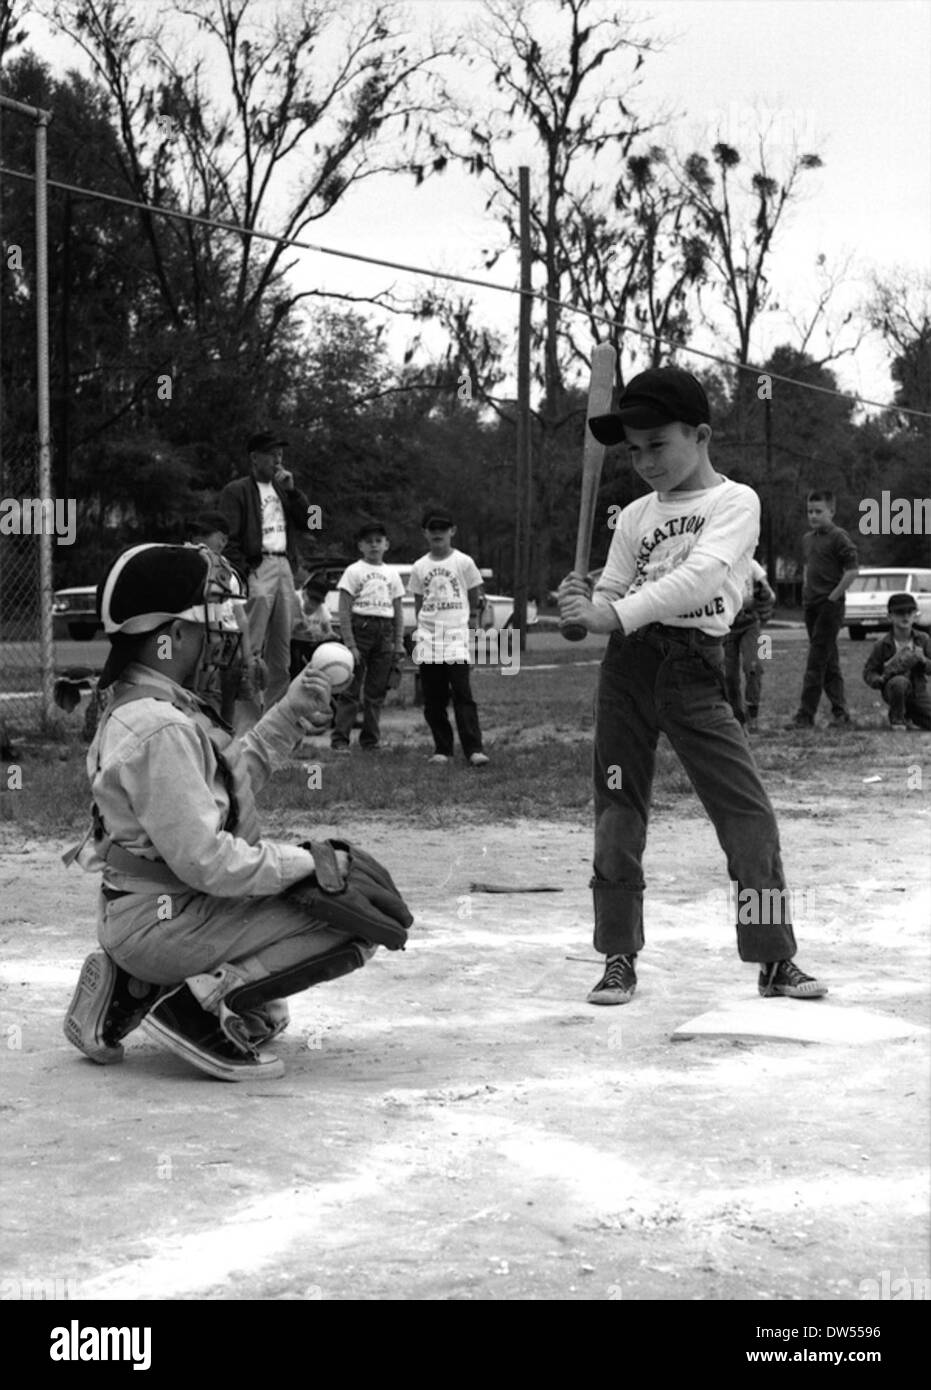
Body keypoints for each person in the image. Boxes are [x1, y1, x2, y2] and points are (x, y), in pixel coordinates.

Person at [61, 543, 409, 1081]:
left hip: (146, 911)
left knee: (266, 1010)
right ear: (170, 636)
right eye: (209, 621)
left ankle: (132, 989)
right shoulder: (163, 728)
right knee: (355, 920)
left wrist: (290, 712)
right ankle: (189, 1008)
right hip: (164, 918)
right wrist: (305, 862)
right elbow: (208, 861)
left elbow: (229, 780)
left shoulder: (152, 706)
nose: (223, 633)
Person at [558, 366, 827, 1007]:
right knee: (618, 814)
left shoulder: (736, 502)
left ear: (700, 435)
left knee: (747, 814)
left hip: (694, 668)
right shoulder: (634, 516)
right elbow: (612, 590)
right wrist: (583, 608)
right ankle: (618, 956)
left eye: (659, 445)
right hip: (627, 670)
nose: (645, 461)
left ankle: (773, 958)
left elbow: (702, 579)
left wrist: (609, 612)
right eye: (634, 449)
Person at [218, 432, 312, 712]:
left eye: (280, 455)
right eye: (272, 455)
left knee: (281, 652)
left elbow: (312, 523)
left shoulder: (286, 490)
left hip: (284, 566)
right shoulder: (236, 491)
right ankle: (243, 716)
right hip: (258, 567)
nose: (277, 460)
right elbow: (228, 537)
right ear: (255, 458)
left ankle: (275, 718)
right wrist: (244, 572)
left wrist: (295, 492)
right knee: (250, 645)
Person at [409, 508, 489, 767]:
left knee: (462, 693)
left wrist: (474, 622)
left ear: (452, 531)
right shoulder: (420, 566)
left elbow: (475, 592)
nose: (437, 534)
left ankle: (473, 748)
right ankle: (442, 748)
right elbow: (419, 602)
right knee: (433, 697)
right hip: (429, 637)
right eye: (432, 529)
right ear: (425, 533)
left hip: (455, 634)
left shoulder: (463, 562)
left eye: (442, 529)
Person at [331, 522, 406, 753]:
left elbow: (398, 610)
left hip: (384, 633)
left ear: (386, 545)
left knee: (376, 692)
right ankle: (340, 739)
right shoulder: (354, 571)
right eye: (369, 541)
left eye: (378, 541)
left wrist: (399, 642)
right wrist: (350, 643)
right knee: (351, 690)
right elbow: (344, 610)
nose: (374, 545)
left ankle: (370, 740)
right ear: (361, 546)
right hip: (360, 628)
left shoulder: (392, 574)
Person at [185, 511, 263, 730]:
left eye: (205, 533)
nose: (197, 538)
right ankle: (201, 741)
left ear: (222, 540)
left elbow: (240, 616)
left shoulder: (227, 570)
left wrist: (248, 658)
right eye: (196, 533)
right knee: (200, 696)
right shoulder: (187, 562)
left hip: (229, 642)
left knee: (227, 699)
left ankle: (225, 745)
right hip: (201, 639)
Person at [788, 490, 859, 729]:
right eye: (810, 511)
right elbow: (810, 568)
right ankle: (841, 713)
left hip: (830, 606)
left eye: (819, 511)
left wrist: (833, 597)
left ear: (832, 511)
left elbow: (852, 571)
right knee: (829, 661)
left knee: (816, 660)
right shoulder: (808, 539)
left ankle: (805, 715)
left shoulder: (840, 537)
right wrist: (807, 595)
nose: (814, 516)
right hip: (811, 606)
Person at [862, 592, 931, 731]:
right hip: (894, 690)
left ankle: (911, 716)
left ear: (915, 615)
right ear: (890, 616)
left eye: (910, 612)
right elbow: (869, 671)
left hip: (918, 692)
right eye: (900, 612)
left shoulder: (923, 639)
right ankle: (897, 719)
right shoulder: (882, 644)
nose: (905, 616)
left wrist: (923, 660)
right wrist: (879, 679)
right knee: (899, 682)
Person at [723, 557, 776, 731]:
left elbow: (770, 594)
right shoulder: (721, 566)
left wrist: (765, 595)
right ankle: (737, 718)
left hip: (750, 624)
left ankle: (753, 714)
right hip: (727, 626)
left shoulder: (751, 565)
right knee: (729, 675)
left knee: (754, 667)